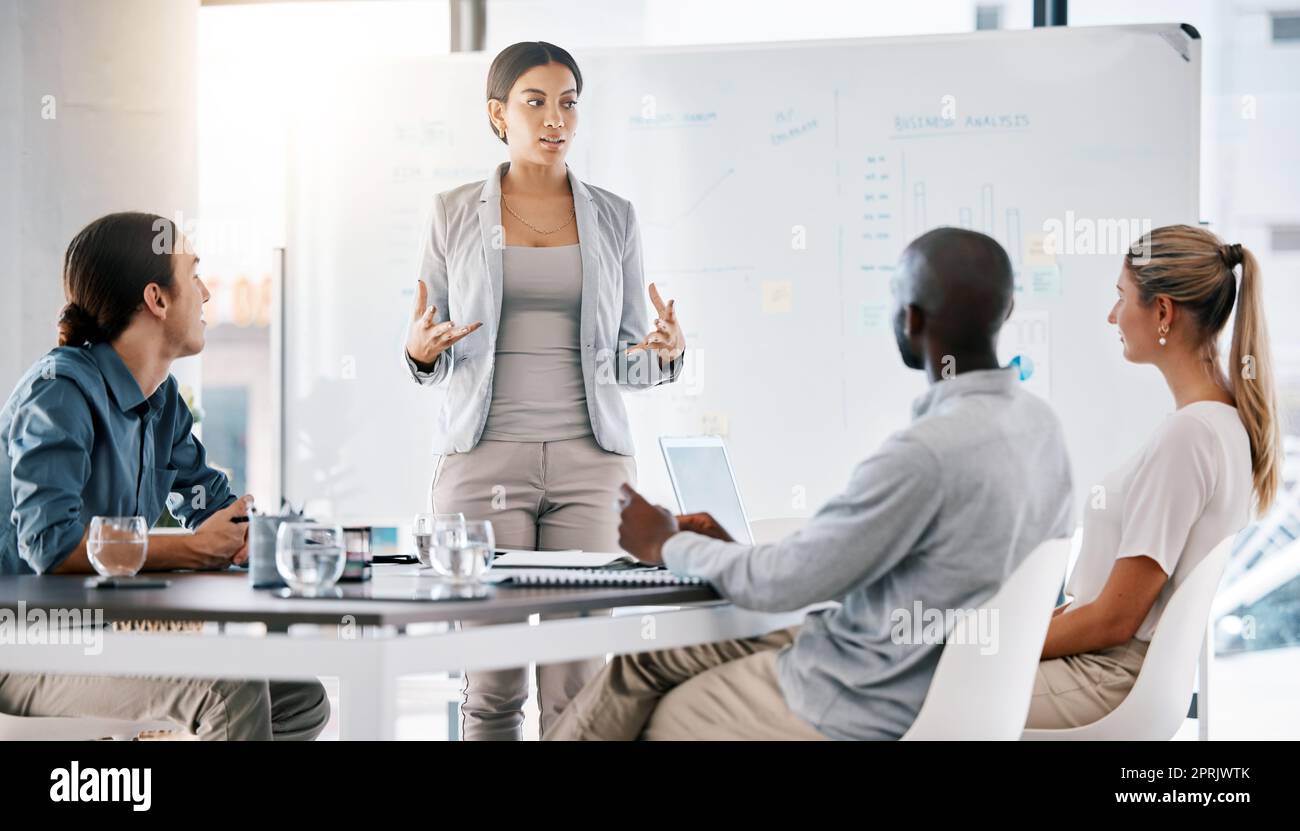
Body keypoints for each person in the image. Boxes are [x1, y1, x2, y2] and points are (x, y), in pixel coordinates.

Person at [546, 228, 1074, 740]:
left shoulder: (926, 453)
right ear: (1004, 313)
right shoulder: (1042, 430)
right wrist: (736, 556)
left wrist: (667, 543)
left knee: (649, 697)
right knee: (651, 659)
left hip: (856, 698)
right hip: (935, 683)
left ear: (911, 319)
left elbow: (784, 584)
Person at [402, 41, 685, 740]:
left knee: (578, 687)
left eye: (568, 103)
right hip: (482, 461)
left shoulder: (614, 216)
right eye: (536, 102)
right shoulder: (453, 212)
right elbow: (430, 338)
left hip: (593, 469)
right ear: (499, 114)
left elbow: (625, 358)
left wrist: (665, 355)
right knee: (491, 686)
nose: (555, 118)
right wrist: (418, 352)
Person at [0, 212, 329, 740]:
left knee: (300, 700)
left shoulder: (162, 401)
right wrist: (198, 548)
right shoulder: (58, 392)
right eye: (194, 274)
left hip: (105, 633)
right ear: (157, 298)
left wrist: (244, 533)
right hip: (24, 643)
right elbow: (51, 546)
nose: (206, 293)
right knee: (231, 691)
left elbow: (213, 506)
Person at [1026, 226, 1279, 728]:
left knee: (905, 694)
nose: (1112, 315)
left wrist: (1012, 646)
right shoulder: (1220, 423)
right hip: (1109, 672)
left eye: (1121, 298)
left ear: (1162, 312)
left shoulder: (1191, 437)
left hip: (1104, 681)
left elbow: (1114, 619)